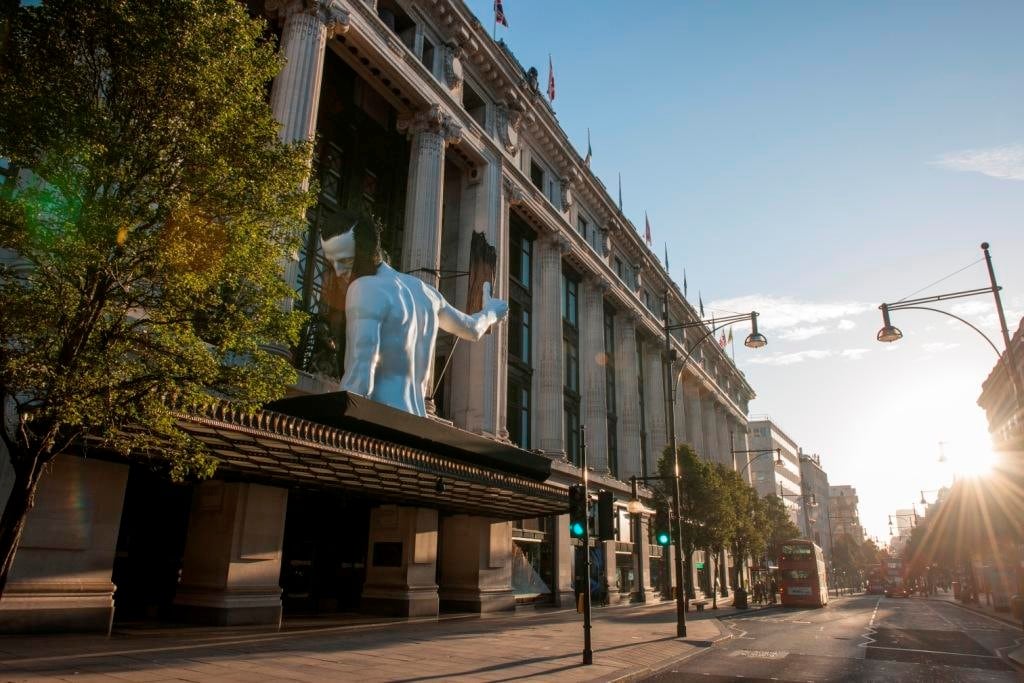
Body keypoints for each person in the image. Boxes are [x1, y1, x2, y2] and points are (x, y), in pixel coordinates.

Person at [320, 212, 508, 417]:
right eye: (332, 262)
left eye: (345, 261)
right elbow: (472, 329)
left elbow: (359, 376)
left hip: (379, 421)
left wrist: (333, 421)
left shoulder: (364, 287)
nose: (338, 271)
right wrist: (491, 311)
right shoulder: (427, 293)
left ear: (366, 252)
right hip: (416, 419)